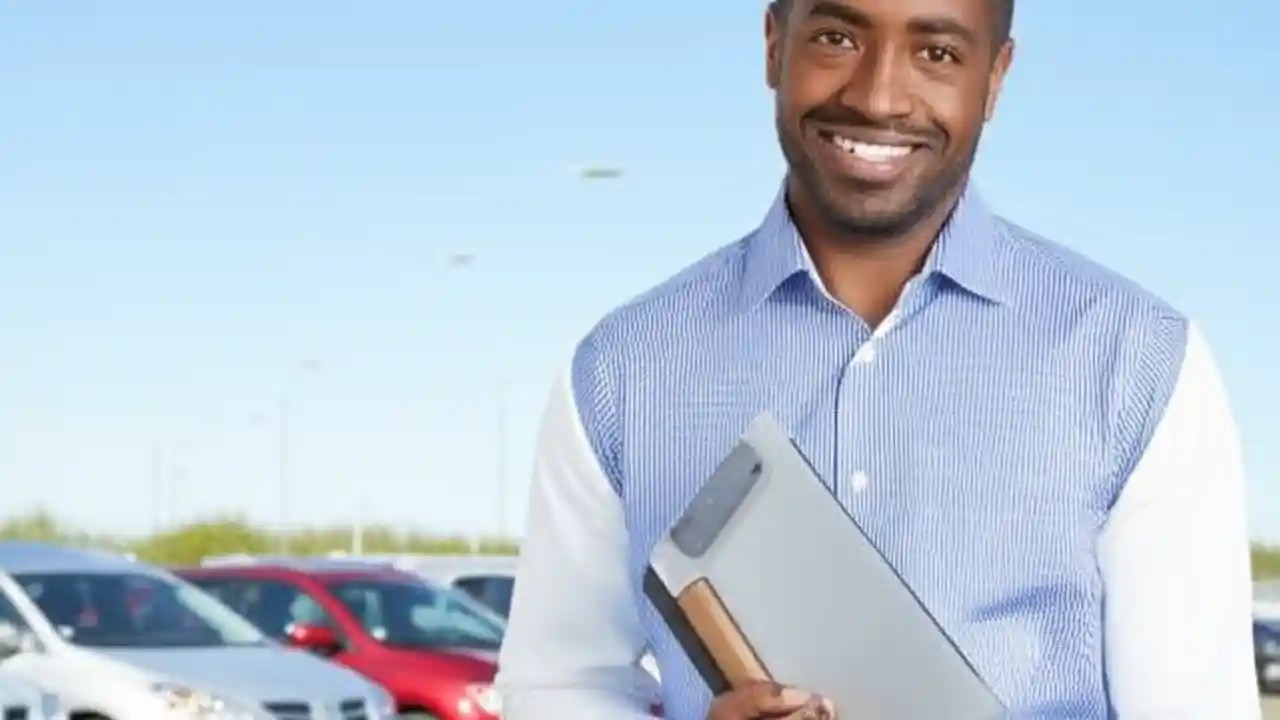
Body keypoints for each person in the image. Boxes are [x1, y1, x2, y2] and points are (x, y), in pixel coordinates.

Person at [495, 0, 1260, 717]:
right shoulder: (622, 371)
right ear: (773, 45)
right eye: (837, 37)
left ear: (995, 78)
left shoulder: (1137, 362)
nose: (877, 96)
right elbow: (557, 686)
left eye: (936, 51)